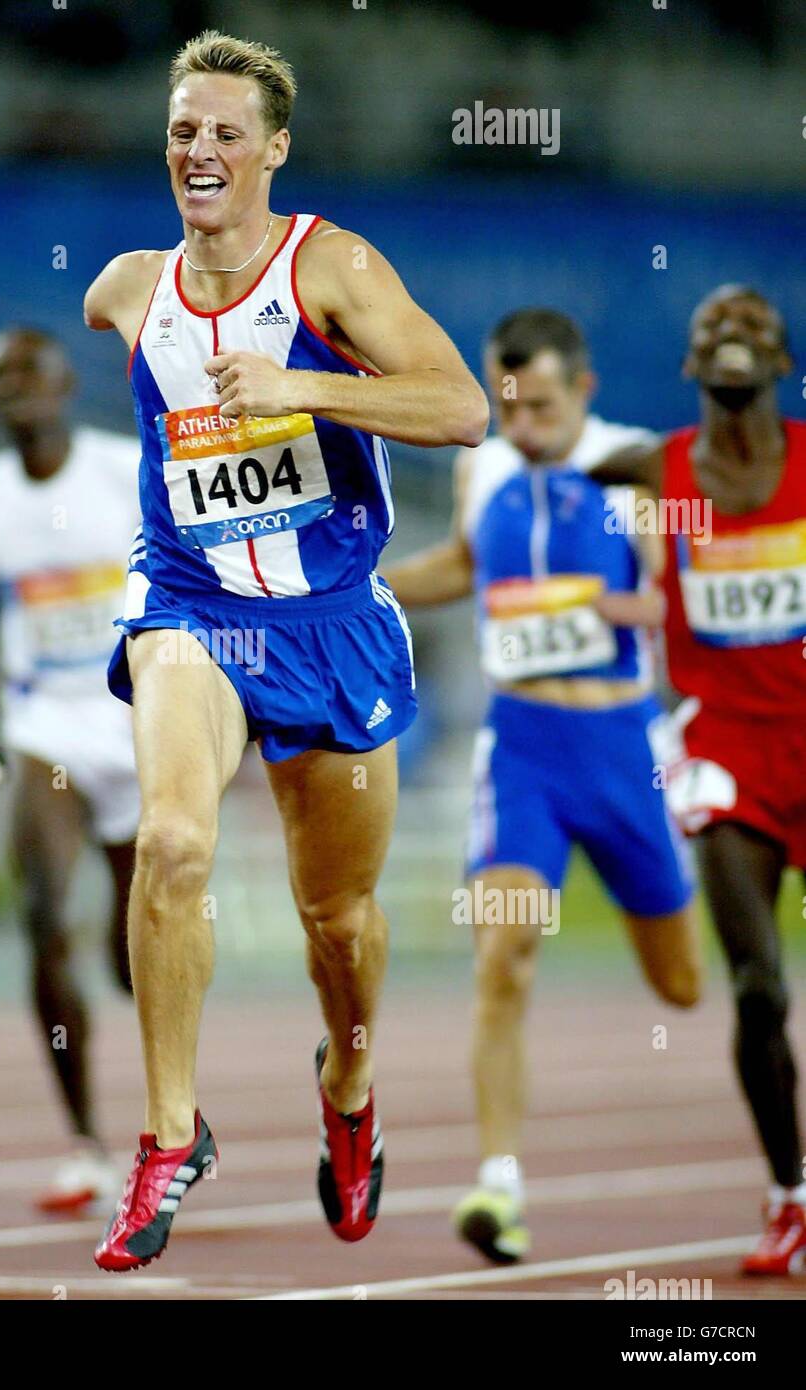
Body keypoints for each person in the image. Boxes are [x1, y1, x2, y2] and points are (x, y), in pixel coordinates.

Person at [82, 29, 487, 1271]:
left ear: (272, 149)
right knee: (172, 842)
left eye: (222, 131)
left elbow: (461, 407)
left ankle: (349, 1096)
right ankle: (166, 1133)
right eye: (182, 130)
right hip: (191, 606)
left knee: (338, 922)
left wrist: (307, 389)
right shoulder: (123, 289)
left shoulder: (332, 267)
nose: (198, 149)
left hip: (330, 624)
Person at [385, 307, 701, 1263]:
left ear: (586, 390)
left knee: (681, 984)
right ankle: (498, 1185)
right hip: (520, 745)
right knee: (505, 955)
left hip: (622, 747)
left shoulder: (639, 465)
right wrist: (365, 589)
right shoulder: (482, 462)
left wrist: (618, 602)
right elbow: (463, 566)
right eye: (508, 404)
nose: (520, 426)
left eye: (543, 407)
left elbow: (676, 594)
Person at [592, 285, 806, 1276]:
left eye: (747, 329)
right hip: (722, 749)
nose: (727, 337)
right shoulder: (661, 471)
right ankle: (789, 1194)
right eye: (708, 329)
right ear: (688, 367)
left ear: (779, 361)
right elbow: (556, 459)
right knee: (758, 986)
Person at [0, 325, 141, 1213]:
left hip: (140, 719)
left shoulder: (124, 469)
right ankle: (85, 1142)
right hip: (44, 723)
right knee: (43, 913)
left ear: (66, 381)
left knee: (135, 955)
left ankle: (174, 1121)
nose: (16, 388)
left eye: (30, 371)